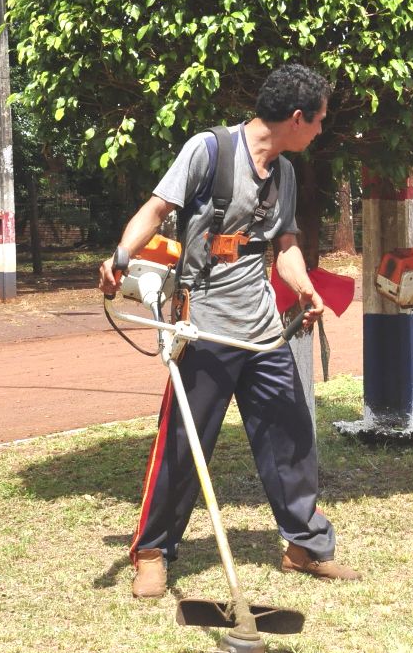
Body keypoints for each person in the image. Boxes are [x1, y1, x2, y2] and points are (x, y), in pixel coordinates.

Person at [96, 63, 359, 599]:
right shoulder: (209, 151)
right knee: (184, 442)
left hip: (261, 329)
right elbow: (156, 208)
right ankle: (152, 552)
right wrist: (120, 257)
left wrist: (305, 288)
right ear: (296, 117)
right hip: (205, 326)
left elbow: (282, 247)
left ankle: (305, 545)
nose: (319, 132)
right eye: (319, 123)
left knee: (290, 432)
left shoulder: (282, 173)